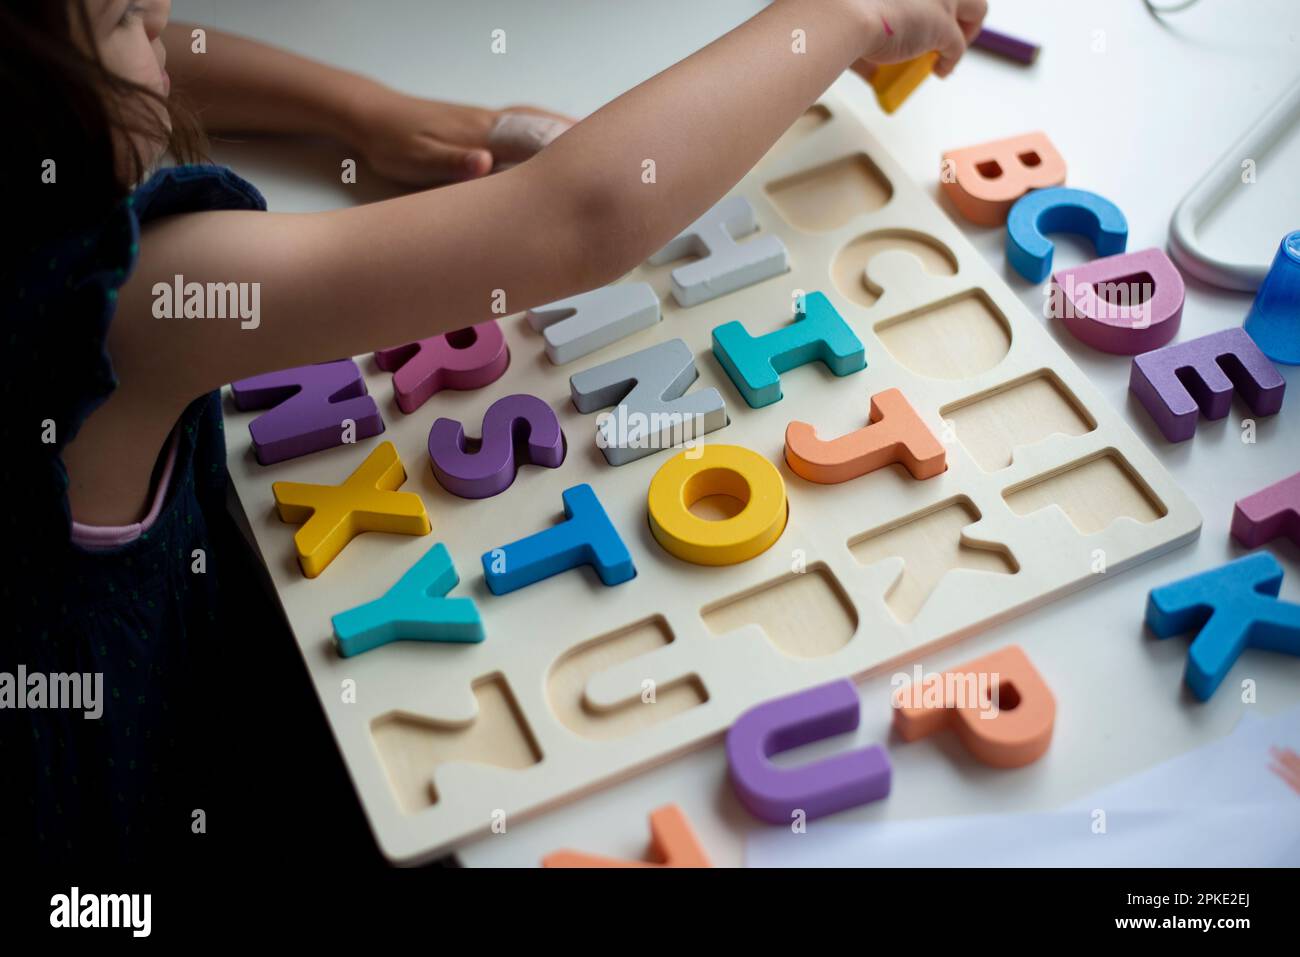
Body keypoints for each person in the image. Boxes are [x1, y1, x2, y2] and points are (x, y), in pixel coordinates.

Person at [0, 0, 986, 866]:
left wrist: (360, 112)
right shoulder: (124, 304)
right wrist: (845, 15)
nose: (170, 12)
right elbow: (578, 219)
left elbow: (151, 50)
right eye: (129, 11)